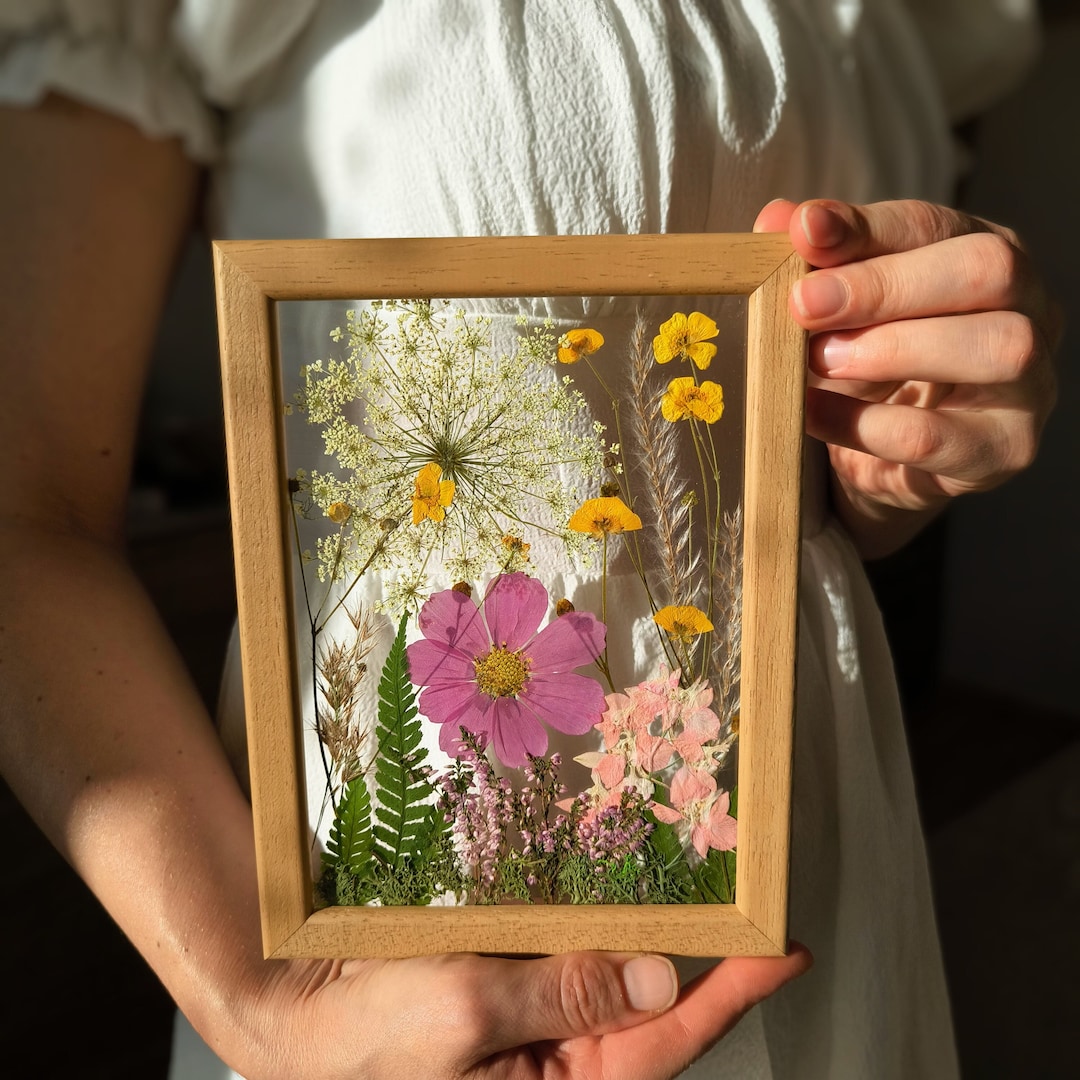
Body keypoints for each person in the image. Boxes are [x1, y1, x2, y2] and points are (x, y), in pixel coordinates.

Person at [0, 3, 1059, 1078]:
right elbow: (26, 516)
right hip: (394, 965)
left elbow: (810, 490)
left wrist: (904, 450)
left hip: (795, 817)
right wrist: (268, 1000)